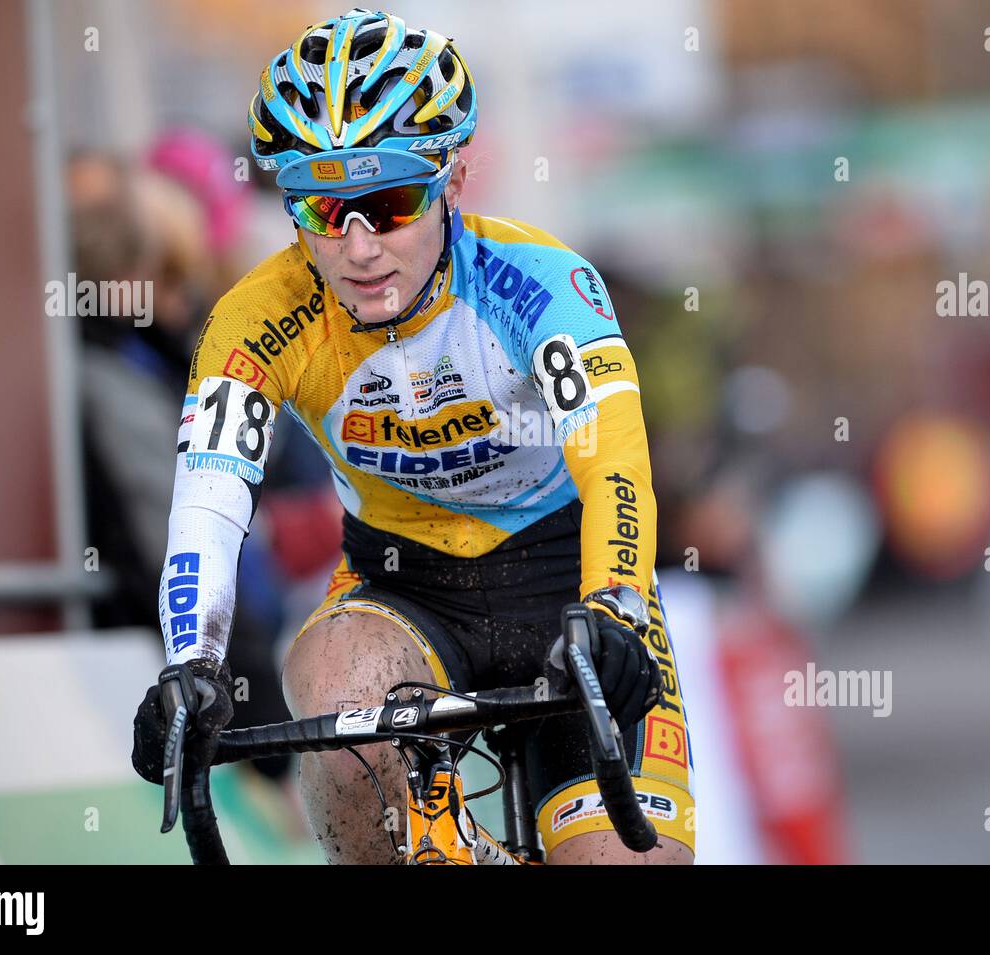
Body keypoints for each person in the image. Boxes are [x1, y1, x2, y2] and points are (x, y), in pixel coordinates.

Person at [132, 7, 693, 864]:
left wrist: (614, 603)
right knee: (328, 680)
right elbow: (208, 496)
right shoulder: (258, 318)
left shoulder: (541, 283)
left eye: (389, 203)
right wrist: (191, 663)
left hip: (567, 577)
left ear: (452, 182)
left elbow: (616, 459)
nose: (357, 247)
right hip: (405, 583)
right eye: (324, 207)